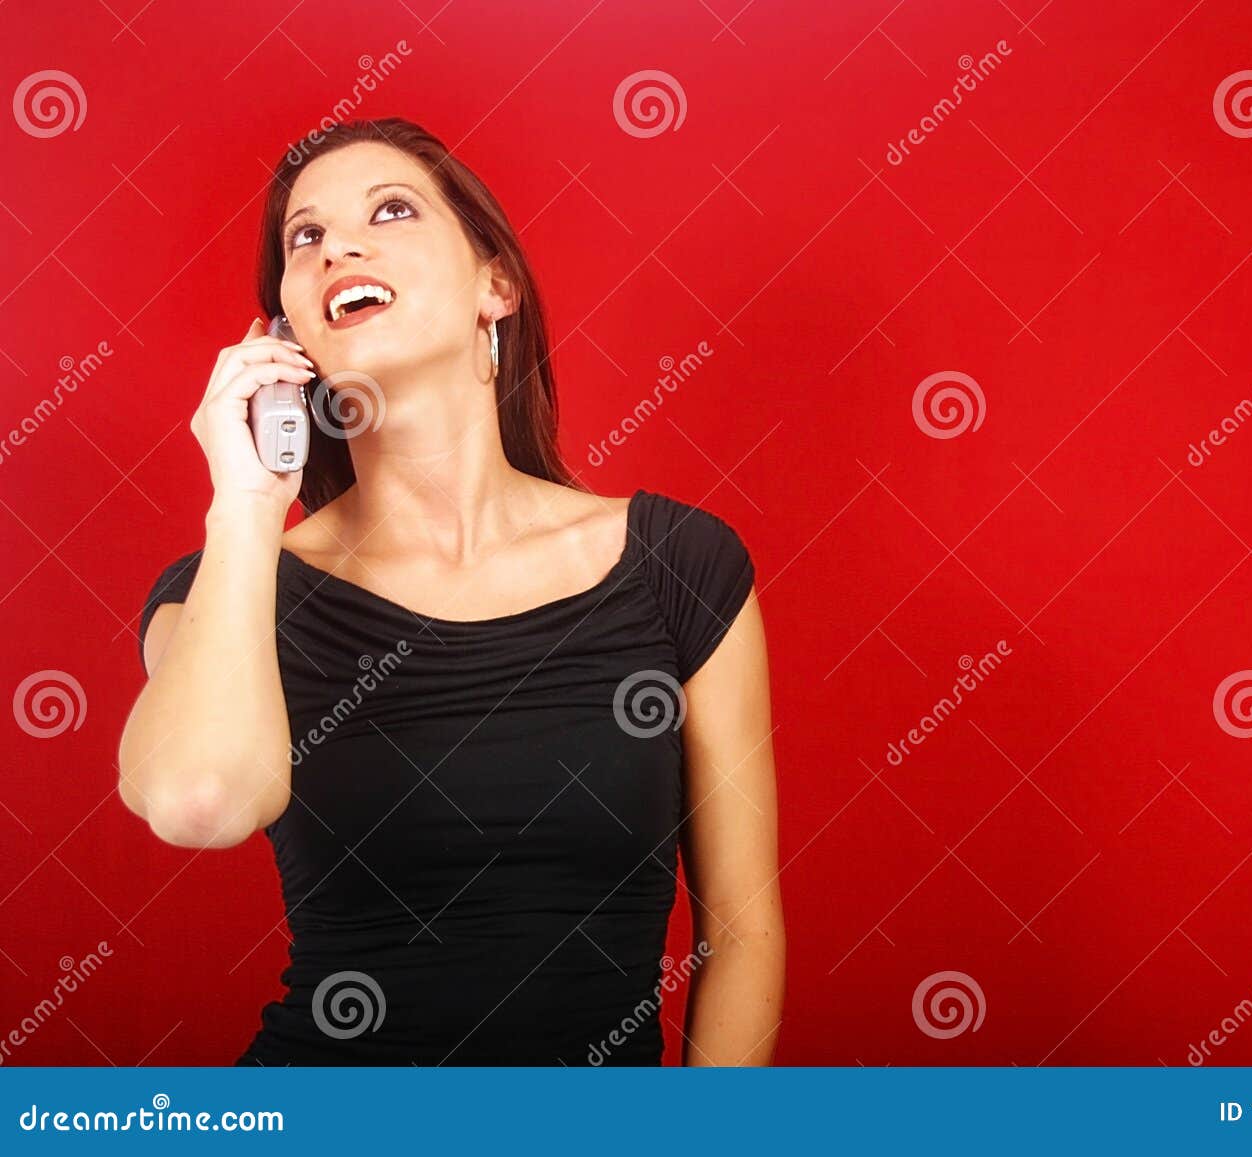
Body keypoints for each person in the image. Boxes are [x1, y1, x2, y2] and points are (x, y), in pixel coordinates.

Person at [115, 117, 784, 1066]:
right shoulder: (228, 586)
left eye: (391, 211)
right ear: (285, 330)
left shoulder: (679, 562)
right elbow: (199, 800)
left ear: (494, 286)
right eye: (305, 238)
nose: (338, 245)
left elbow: (747, 936)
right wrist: (247, 504)